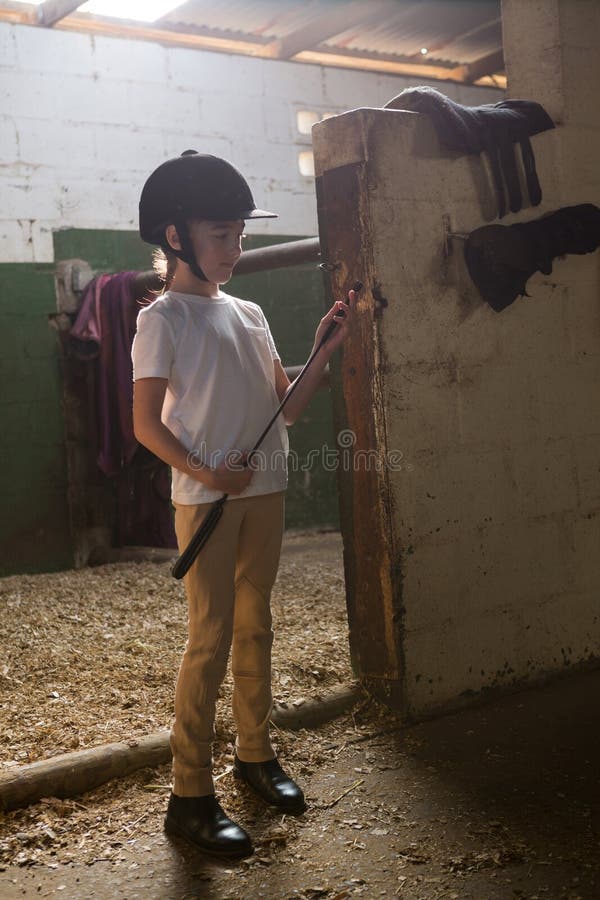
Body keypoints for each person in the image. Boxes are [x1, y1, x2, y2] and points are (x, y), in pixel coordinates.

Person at [132, 151, 355, 858]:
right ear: (176, 237)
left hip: (267, 490)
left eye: (240, 234)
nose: (237, 248)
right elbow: (145, 425)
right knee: (211, 638)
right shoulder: (162, 319)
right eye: (222, 235)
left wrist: (323, 351)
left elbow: (284, 410)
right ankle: (189, 794)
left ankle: (256, 756)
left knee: (257, 622)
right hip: (209, 503)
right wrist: (205, 472)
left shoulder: (251, 314)